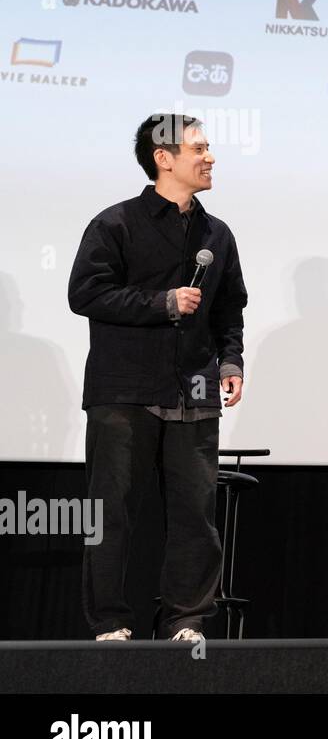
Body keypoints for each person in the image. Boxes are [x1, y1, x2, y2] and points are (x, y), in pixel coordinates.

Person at [69, 113, 247, 642]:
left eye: (209, 146)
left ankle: (185, 619)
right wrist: (162, 303)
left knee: (196, 518)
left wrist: (231, 362)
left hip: (194, 393)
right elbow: (86, 294)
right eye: (199, 147)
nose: (210, 156)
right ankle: (109, 621)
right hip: (123, 392)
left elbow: (230, 309)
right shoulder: (115, 224)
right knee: (112, 515)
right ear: (163, 158)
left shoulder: (217, 233)